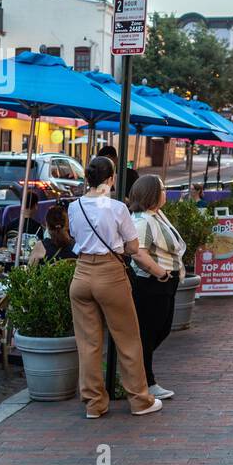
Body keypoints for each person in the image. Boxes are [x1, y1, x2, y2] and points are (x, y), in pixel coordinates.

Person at [69, 155, 169, 419]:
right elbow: (134, 248)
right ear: (111, 179)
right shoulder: (116, 208)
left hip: (81, 275)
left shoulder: (74, 206)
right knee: (127, 339)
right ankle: (139, 399)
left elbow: (75, 237)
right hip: (109, 274)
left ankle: (94, 404)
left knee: (88, 343)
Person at [128, 175, 185, 401]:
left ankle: (143, 378)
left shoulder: (155, 215)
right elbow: (138, 252)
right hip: (152, 284)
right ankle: (146, 381)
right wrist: (160, 273)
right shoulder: (142, 220)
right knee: (150, 333)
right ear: (152, 193)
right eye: (162, 189)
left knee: (160, 330)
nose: (165, 193)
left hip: (164, 283)